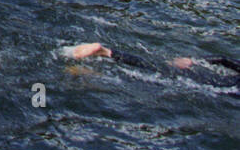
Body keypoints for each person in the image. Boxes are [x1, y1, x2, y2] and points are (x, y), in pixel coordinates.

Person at [64, 43, 240, 90]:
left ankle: (107, 52)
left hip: (203, 79)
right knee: (148, 81)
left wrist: (191, 60)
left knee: (153, 68)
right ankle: (92, 72)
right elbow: (223, 59)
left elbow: (223, 59)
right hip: (203, 87)